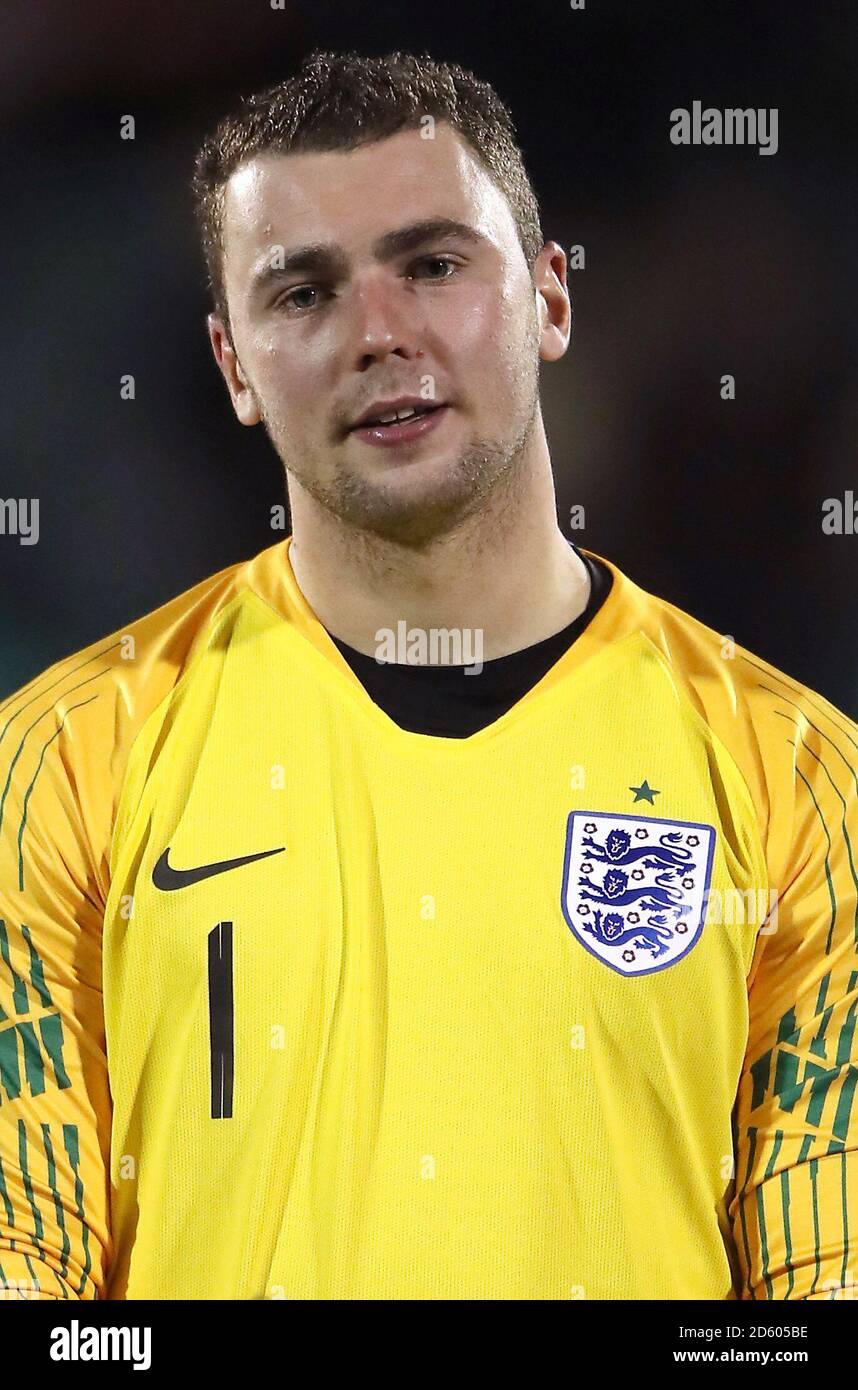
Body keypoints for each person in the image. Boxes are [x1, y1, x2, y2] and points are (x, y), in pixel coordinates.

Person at [1, 49, 855, 1301]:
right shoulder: (60, 763)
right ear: (234, 366)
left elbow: (824, 1271)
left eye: (435, 265)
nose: (379, 334)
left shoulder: (802, 780)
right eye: (302, 293)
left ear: (553, 299)